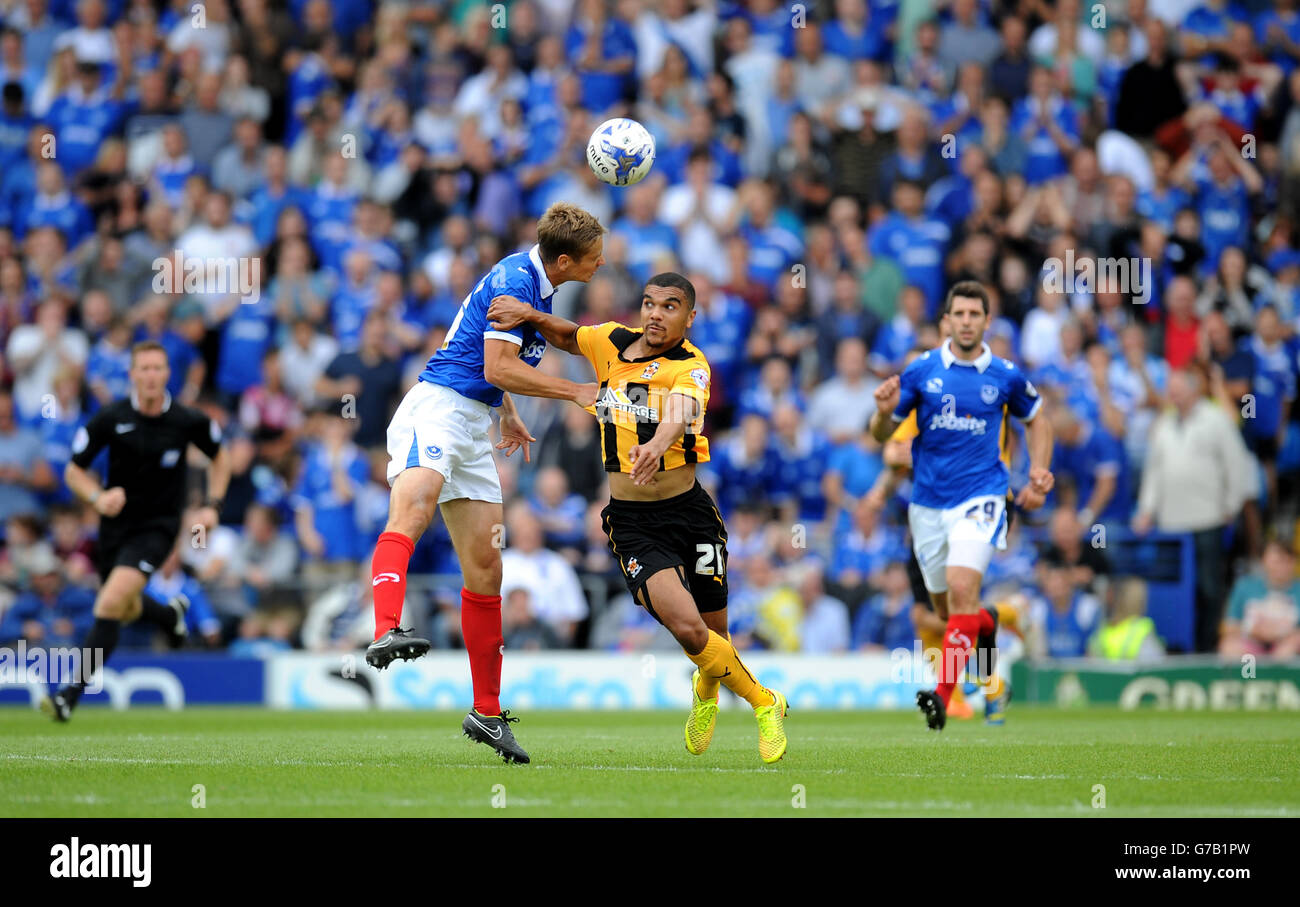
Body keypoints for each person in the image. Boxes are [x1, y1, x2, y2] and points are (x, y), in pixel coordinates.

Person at [487, 272, 790, 764]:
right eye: (649, 303)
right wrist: (531, 316)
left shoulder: (691, 365)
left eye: (670, 307)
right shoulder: (610, 342)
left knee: (717, 637)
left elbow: (680, 411)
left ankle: (707, 694)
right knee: (691, 632)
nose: (655, 313)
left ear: (690, 318)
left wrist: (655, 442)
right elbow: (567, 336)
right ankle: (766, 702)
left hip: (691, 514)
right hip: (631, 521)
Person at [367, 202, 605, 765]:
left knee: (487, 568)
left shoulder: (536, 288)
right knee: (414, 509)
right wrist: (574, 391)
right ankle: (385, 627)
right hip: (439, 410)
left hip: (474, 423)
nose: (601, 263)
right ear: (567, 259)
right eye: (595, 256)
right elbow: (495, 367)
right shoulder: (515, 279)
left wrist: (505, 412)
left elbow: (492, 366)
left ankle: (487, 712)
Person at [869, 281, 1054, 731]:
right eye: (960, 314)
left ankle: (943, 696)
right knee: (949, 613)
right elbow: (881, 436)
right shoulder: (920, 371)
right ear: (946, 321)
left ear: (987, 321)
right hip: (928, 504)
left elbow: (1038, 418)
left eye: (976, 314)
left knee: (961, 589)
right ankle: (994, 624)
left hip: (984, 496)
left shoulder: (1006, 375)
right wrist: (880, 412)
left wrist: (1039, 472)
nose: (967, 322)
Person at [43, 341, 230, 721]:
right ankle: (167, 616)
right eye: (143, 368)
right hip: (114, 531)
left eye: (158, 368)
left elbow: (220, 456)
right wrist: (97, 496)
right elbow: (73, 470)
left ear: (167, 374)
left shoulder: (186, 420)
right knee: (124, 606)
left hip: (158, 529)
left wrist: (212, 506)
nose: (150, 376)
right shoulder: (109, 418)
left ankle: (69, 695)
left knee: (109, 603)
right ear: (131, 374)